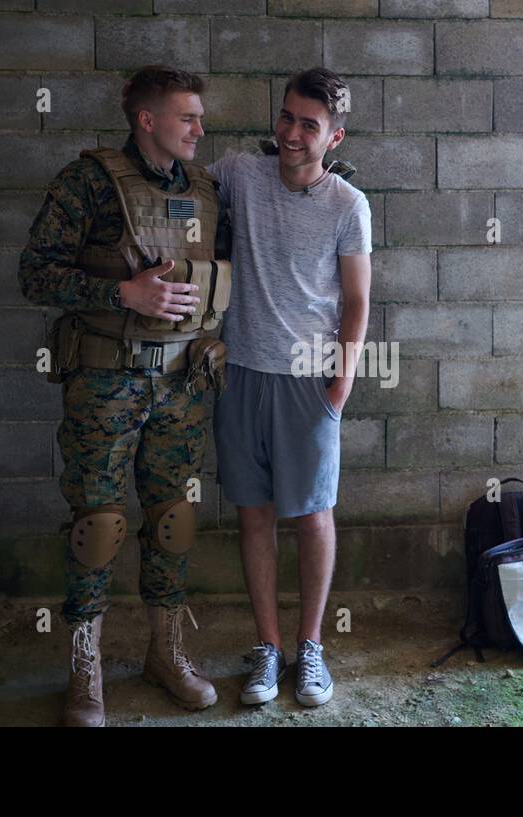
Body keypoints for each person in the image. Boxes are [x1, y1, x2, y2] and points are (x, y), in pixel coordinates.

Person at [18, 65, 231, 726]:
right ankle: (85, 668)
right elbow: (34, 273)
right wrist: (121, 293)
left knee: (173, 520)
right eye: (186, 116)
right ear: (147, 120)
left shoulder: (205, 189)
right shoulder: (88, 181)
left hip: (182, 382)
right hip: (106, 380)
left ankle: (164, 652)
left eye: (199, 116)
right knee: (98, 528)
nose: (200, 128)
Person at [207, 67, 373, 707]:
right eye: (287, 118)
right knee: (253, 514)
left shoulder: (346, 205)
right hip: (242, 372)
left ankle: (310, 651)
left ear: (334, 136)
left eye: (309, 125)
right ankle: (267, 651)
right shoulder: (241, 175)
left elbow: (357, 300)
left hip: (310, 382)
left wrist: (343, 378)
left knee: (310, 515)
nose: (293, 134)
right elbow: (177, 177)